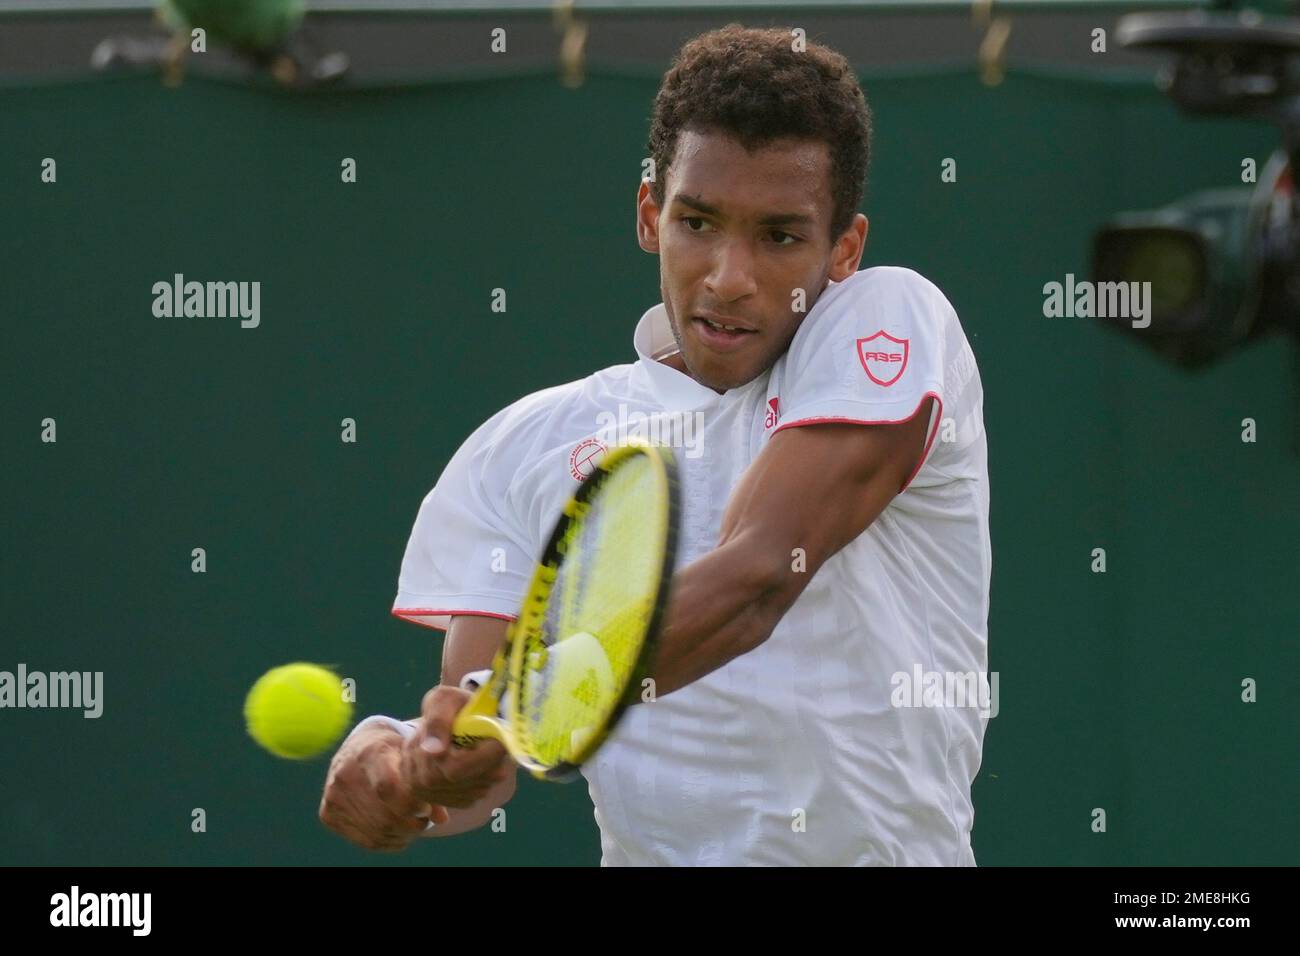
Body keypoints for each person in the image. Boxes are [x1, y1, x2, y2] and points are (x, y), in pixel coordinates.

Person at [320, 23, 991, 865]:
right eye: (699, 222)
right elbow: (485, 755)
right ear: (650, 216)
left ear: (844, 249)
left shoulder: (892, 321)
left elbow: (756, 579)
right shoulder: (528, 445)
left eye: (780, 236)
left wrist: (526, 704)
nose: (728, 276)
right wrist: (407, 767)